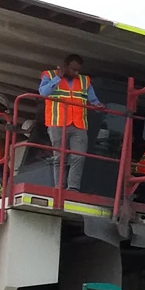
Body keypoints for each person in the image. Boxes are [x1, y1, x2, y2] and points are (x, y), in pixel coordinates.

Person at [39, 55, 101, 191]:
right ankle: (59, 188)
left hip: (79, 125)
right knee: (60, 158)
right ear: (65, 67)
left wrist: (98, 105)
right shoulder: (49, 75)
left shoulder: (85, 81)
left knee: (79, 156)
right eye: (73, 69)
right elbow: (43, 93)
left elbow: (93, 99)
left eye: (78, 70)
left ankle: (73, 187)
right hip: (57, 123)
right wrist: (58, 78)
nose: (76, 73)